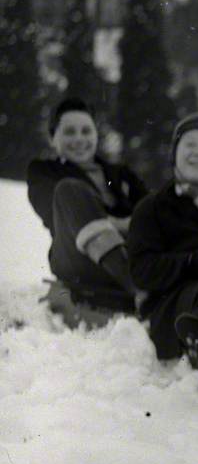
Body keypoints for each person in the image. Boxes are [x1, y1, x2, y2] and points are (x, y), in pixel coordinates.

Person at [127, 114, 198, 363]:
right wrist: (193, 262)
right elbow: (141, 270)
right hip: (174, 303)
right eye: (190, 144)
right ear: (175, 154)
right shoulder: (152, 207)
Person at [27, 98, 148, 312]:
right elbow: (56, 216)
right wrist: (126, 223)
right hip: (77, 259)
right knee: (69, 190)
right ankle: (140, 288)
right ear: (53, 138)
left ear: (96, 135)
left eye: (86, 131)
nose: (79, 139)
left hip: (132, 254)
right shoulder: (44, 172)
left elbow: (151, 213)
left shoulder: (120, 174)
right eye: (69, 132)